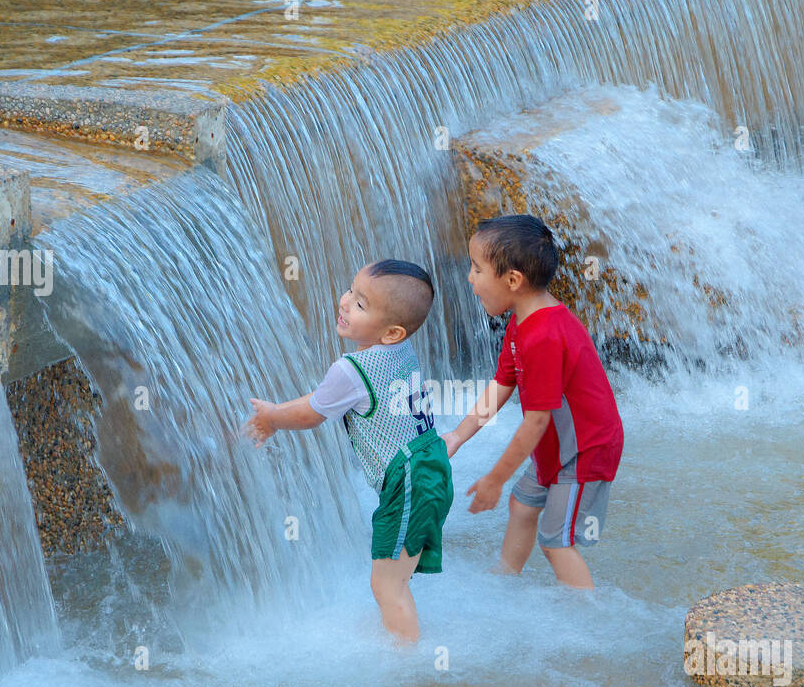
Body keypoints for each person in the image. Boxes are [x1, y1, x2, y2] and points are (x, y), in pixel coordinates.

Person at [246, 260, 453, 643]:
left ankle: (407, 667)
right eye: (350, 290)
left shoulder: (351, 369)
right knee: (394, 576)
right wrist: (278, 410)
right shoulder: (399, 349)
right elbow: (327, 397)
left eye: (360, 304)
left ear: (391, 331)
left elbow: (312, 414)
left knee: (385, 585)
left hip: (408, 477)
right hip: (428, 463)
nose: (344, 303)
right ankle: (398, 634)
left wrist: (274, 417)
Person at [442, 215, 623, 589]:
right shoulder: (520, 321)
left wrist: (494, 478)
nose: (470, 280)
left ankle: (588, 615)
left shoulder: (543, 336)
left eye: (477, 269)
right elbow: (503, 383)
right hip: (556, 444)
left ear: (512, 280)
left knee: (556, 540)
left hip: (584, 450)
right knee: (522, 505)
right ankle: (505, 577)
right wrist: (458, 436)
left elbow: (536, 421)